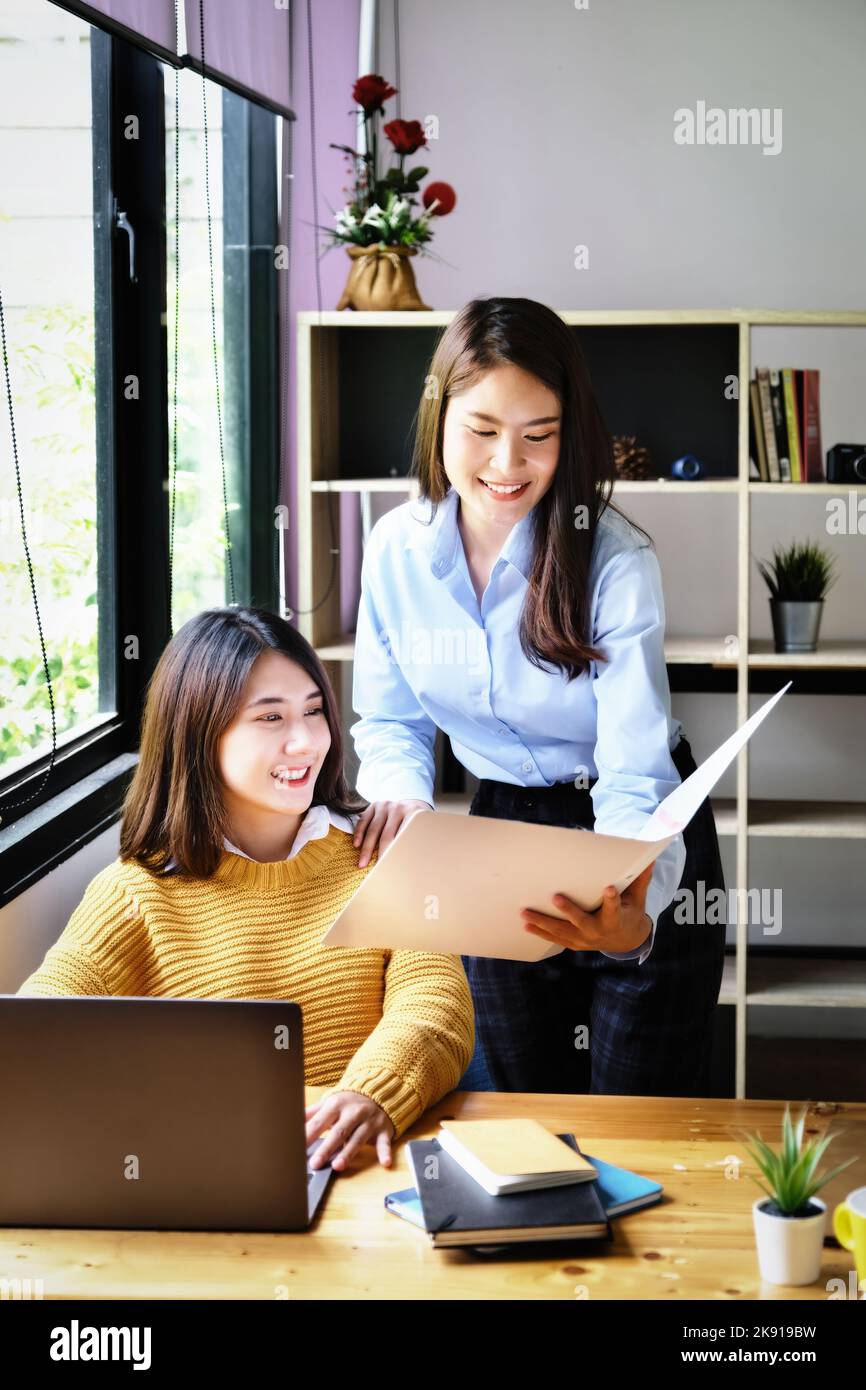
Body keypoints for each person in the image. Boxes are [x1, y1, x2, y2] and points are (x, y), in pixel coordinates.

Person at [348, 296, 726, 1097]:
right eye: (480, 431)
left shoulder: (615, 559)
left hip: (633, 823)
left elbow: (635, 764)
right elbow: (389, 720)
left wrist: (634, 903)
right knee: (518, 1112)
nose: (506, 465)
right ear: (437, 415)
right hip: (500, 831)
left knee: (641, 1122)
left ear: (571, 432)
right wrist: (404, 805)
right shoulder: (395, 550)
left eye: (539, 436)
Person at [18, 606, 474, 1169]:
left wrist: (369, 1095)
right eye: (270, 719)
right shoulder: (135, 892)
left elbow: (434, 1005)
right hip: (207, 1176)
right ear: (199, 733)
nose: (306, 742)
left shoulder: (383, 855)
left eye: (314, 711)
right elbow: (37, 1028)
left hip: (367, 1166)